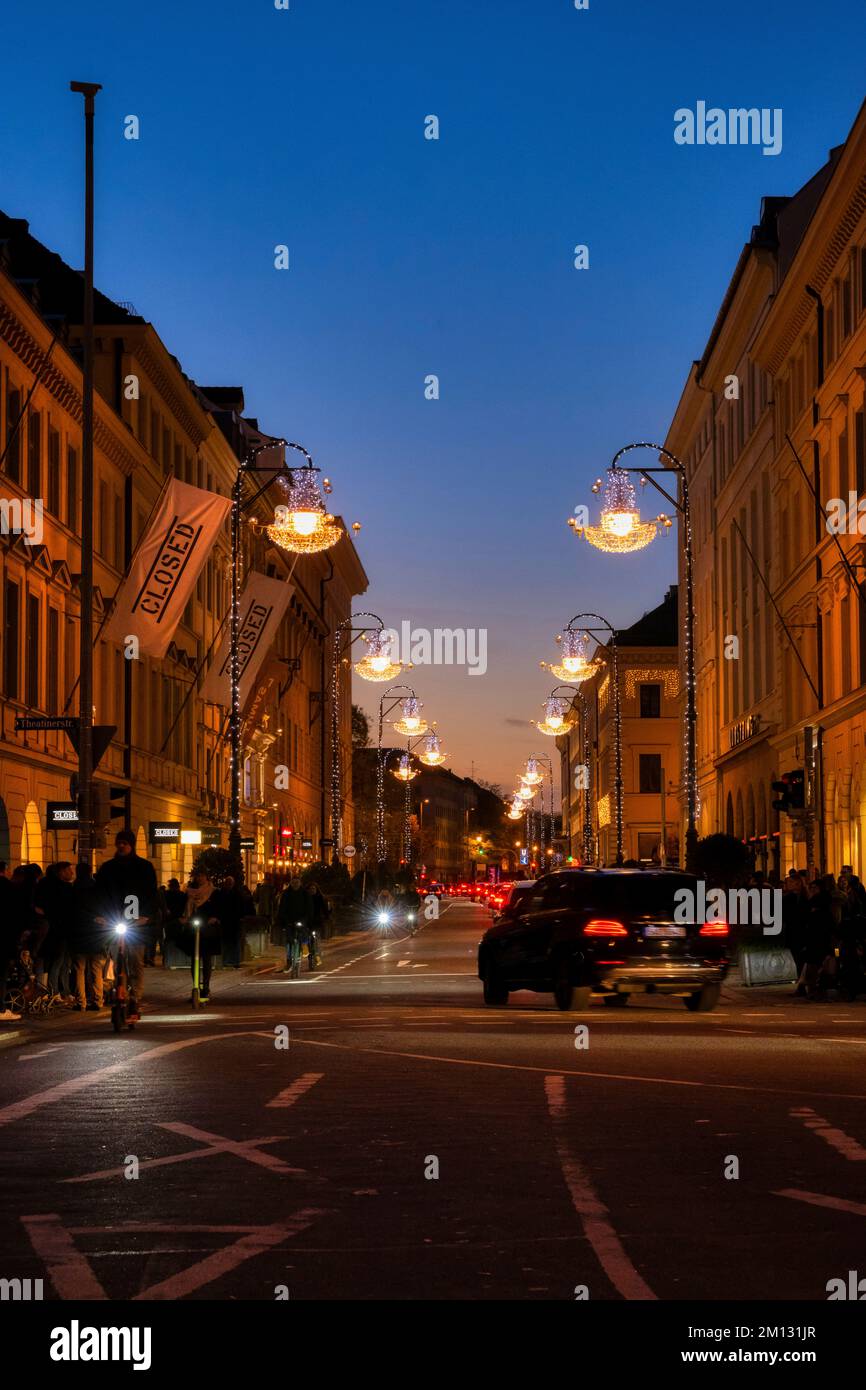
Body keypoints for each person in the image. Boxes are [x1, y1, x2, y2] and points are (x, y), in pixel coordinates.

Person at [94, 830, 159, 1021]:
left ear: (131, 845)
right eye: (119, 843)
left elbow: (151, 894)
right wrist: (100, 915)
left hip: (136, 922)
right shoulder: (107, 868)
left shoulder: (144, 867)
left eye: (125, 843)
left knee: (136, 960)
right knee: (116, 959)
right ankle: (118, 989)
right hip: (114, 920)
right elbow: (100, 894)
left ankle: (135, 997)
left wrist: (146, 916)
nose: (121, 846)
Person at [33, 862, 76, 1001]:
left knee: (46, 960)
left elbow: (39, 906)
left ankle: (47, 990)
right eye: (69, 870)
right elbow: (65, 909)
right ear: (61, 872)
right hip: (61, 929)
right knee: (60, 961)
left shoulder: (42, 885)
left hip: (49, 926)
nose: (72, 873)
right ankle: (55, 991)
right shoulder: (63, 888)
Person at [70, 862, 107, 1012]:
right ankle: (98, 1000)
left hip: (79, 932)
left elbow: (73, 911)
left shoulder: (74, 889)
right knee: (96, 967)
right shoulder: (96, 888)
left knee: (79, 968)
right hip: (96, 933)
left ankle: (81, 1002)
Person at [180, 872, 221, 1002]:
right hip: (194, 926)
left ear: (207, 877)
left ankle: (206, 987)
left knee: (206, 958)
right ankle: (195, 987)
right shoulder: (190, 891)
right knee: (194, 959)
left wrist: (214, 918)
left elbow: (217, 908)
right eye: (198, 876)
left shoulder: (213, 892)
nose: (200, 878)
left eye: (202, 875)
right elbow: (186, 908)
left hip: (207, 927)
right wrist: (185, 918)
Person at [210, 874, 253, 969]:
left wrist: (240, 917)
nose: (229, 884)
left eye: (230, 883)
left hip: (234, 922)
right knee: (227, 942)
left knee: (234, 942)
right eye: (228, 883)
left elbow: (241, 907)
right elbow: (218, 906)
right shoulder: (223, 893)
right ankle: (228, 961)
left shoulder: (236, 894)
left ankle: (234, 961)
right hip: (226, 922)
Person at [277, 876, 312, 973]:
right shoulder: (286, 894)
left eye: (297, 883)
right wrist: (283, 920)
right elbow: (282, 908)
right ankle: (289, 960)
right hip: (289, 920)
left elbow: (309, 908)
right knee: (289, 940)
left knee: (304, 932)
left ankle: (305, 946)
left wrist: (306, 919)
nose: (295, 885)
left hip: (302, 919)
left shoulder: (305, 894)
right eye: (293, 883)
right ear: (290, 883)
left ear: (300, 883)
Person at [307, 882, 330, 966]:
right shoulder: (306, 898)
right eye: (310, 889)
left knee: (316, 939)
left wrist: (326, 917)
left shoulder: (320, 898)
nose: (312, 890)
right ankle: (307, 952)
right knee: (307, 938)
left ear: (317, 890)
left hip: (317, 922)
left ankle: (317, 956)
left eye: (313, 889)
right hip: (308, 922)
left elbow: (325, 909)